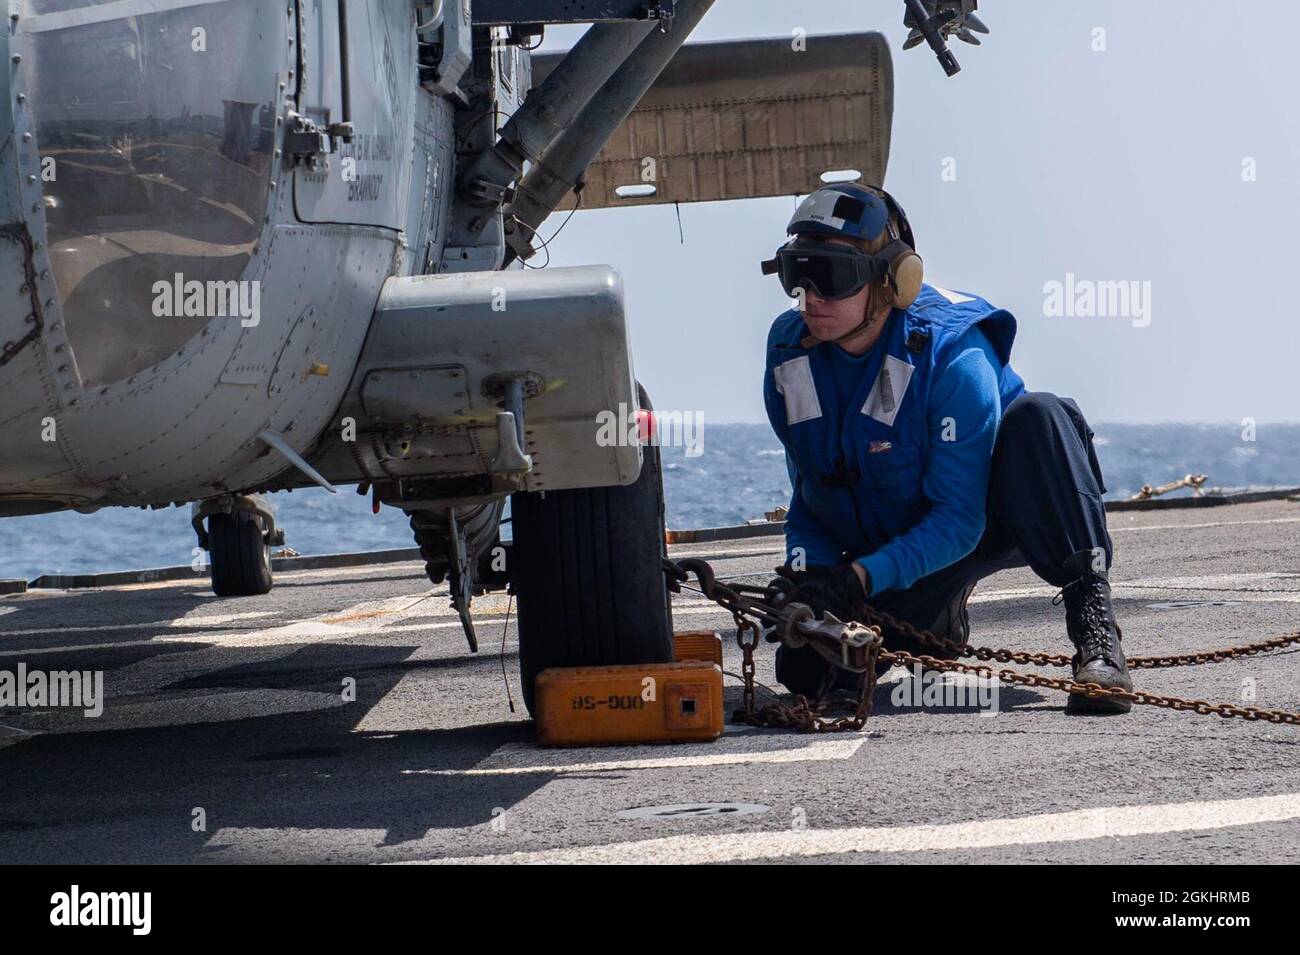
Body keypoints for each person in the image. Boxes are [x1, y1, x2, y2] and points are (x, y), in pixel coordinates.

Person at [760, 182, 1131, 713]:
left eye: (832, 278)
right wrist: (814, 578)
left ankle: (1097, 633)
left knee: (1040, 416)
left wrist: (858, 578)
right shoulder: (789, 354)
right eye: (799, 274)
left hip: (993, 516)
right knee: (807, 675)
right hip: (899, 534)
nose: (811, 297)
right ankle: (937, 620)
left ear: (892, 281)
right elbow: (811, 493)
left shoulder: (953, 354)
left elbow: (960, 521)